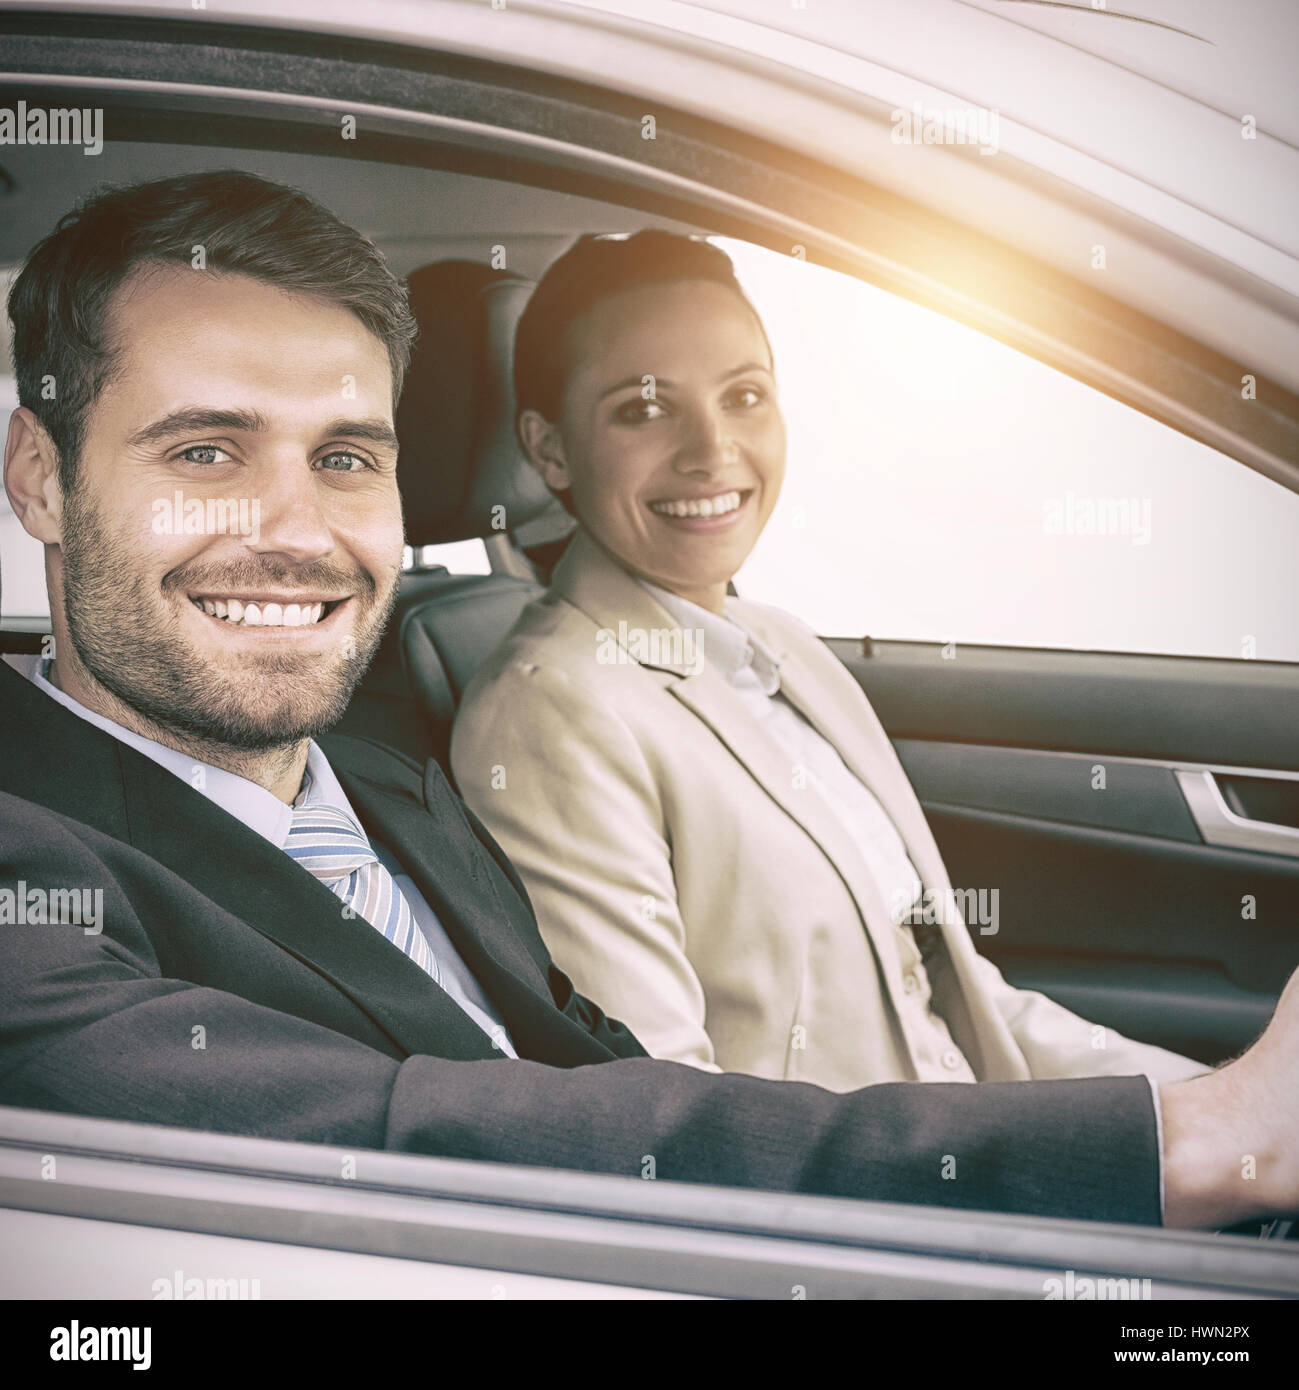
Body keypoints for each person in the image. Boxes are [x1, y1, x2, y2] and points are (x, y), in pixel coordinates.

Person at [2, 172, 1295, 1233]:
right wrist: (1175, 1143)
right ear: (40, 478)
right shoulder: (28, 878)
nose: (294, 530)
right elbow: (448, 1135)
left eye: (345, 458)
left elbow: (604, 1068)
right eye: (205, 450)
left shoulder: (384, 781)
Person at [451, 232, 1211, 1094]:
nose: (712, 450)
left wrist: (1198, 1108)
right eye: (644, 408)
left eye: (743, 396)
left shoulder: (780, 645)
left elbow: (960, 1002)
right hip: (862, 1210)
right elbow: (668, 1116)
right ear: (548, 450)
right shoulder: (552, 710)